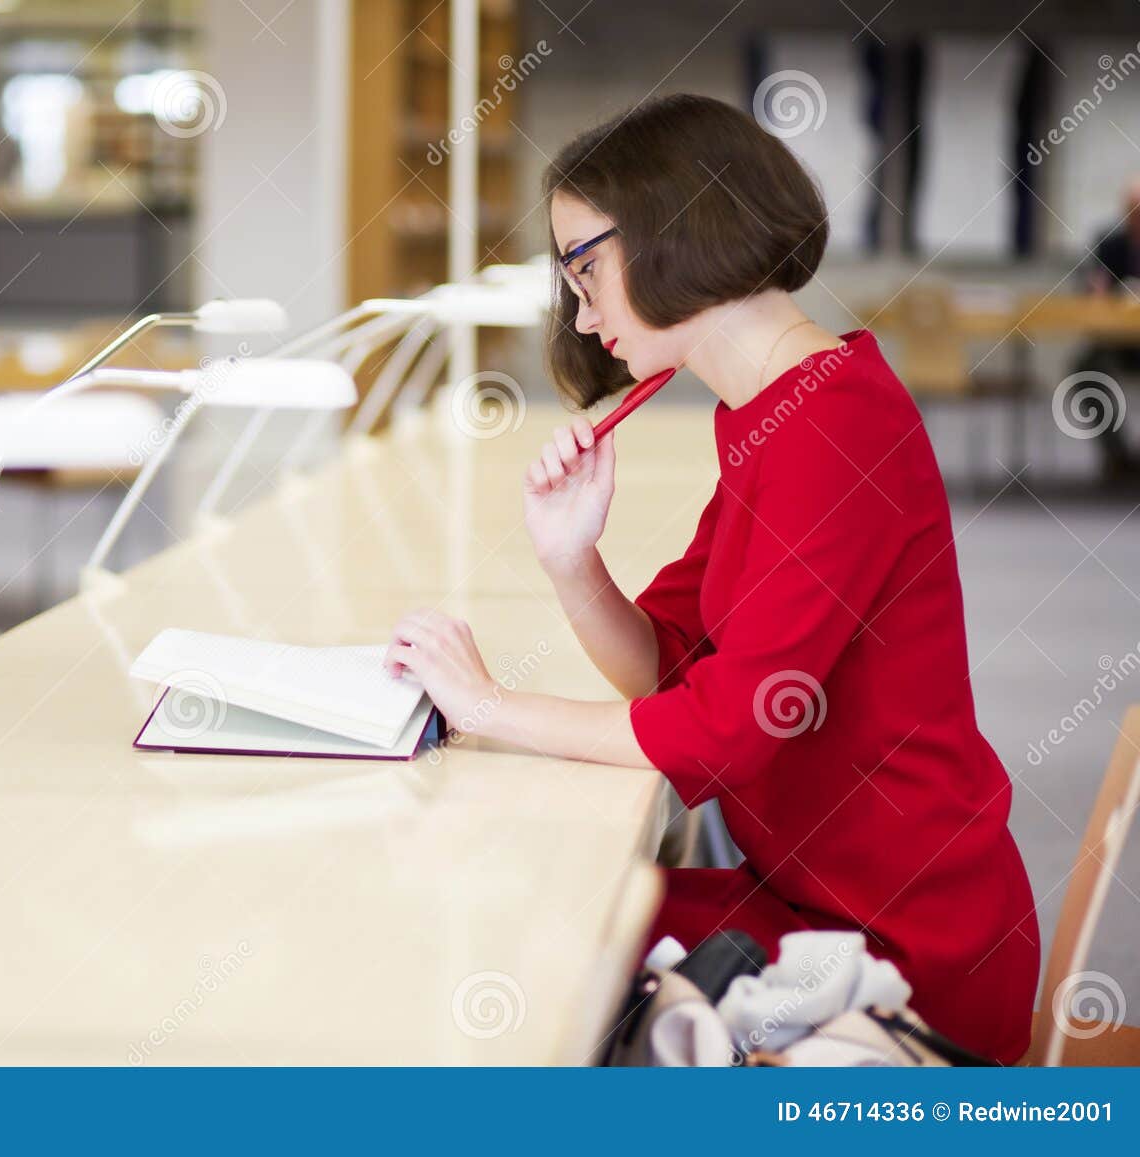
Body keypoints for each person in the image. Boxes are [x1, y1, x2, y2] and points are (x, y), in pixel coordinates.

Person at [384, 94, 1039, 1064]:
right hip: (807, 900)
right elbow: (668, 674)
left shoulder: (831, 425)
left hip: (900, 958)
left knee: (532, 946)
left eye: (584, 268)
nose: (581, 310)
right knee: (532, 907)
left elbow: (726, 730)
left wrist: (484, 704)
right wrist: (571, 560)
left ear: (673, 228)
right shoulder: (777, 408)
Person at [1070, 176, 1140, 479]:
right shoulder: (1111, 243)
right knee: (1085, 369)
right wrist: (1095, 289)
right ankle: (1118, 455)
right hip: (1117, 342)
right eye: (1133, 212)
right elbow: (1091, 286)